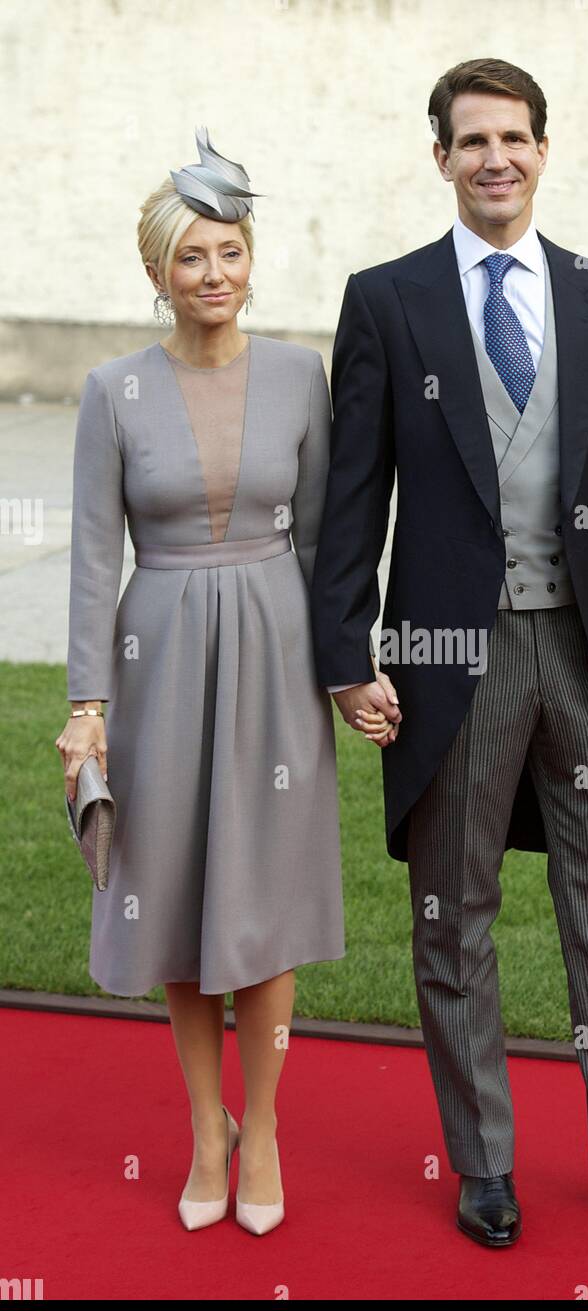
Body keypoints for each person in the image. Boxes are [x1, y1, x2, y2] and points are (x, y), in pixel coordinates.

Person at [311, 60, 588, 1246]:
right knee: (455, 914)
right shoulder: (387, 301)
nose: (492, 157)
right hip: (453, 655)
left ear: (542, 151)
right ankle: (485, 1163)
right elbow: (354, 499)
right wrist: (349, 653)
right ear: (438, 157)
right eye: (470, 140)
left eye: (512, 137)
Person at [55, 127, 393, 1237]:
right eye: (192, 257)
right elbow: (96, 558)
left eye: (231, 252)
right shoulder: (111, 390)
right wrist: (88, 705)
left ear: (254, 259)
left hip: (276, 656)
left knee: (265, 904)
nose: (215, 275)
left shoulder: (303, 373)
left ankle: (268, 1125)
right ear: (157, 272)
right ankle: (205, 1127)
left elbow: (330, 548)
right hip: (156, 661)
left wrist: (345, 672)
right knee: (177, 898)